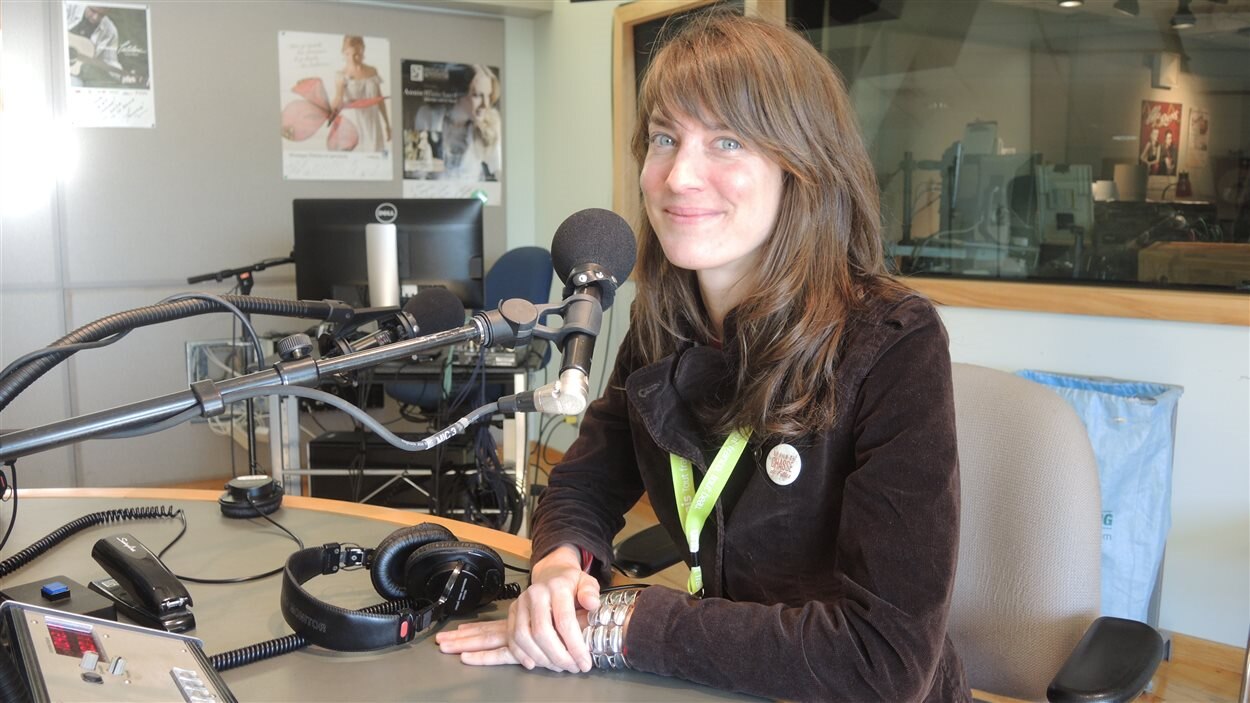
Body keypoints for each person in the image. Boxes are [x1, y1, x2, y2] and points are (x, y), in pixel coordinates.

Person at [436, 11, 969, 701]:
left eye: (726, 140)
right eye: (665, 136)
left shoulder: (895, 342)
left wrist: (618, 625)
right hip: (723, 680)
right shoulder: (665, 322)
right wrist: (559, 570)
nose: (679, 175)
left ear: (799, 165)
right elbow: (586, 481)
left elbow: (882, 661)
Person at [333, 35, 390, 152]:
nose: (353, 59)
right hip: (353, 125)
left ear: (362, 50)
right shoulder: (341, 75)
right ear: (343, 53)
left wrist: (387, 124)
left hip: (372, 124)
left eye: (357, 54)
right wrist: (337, 97)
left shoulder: (372, 71)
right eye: (348, 54)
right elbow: (336, 102)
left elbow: (380, 100)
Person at [445, 64, 502, 181]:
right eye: (477, 95)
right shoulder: (431, 117)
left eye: (488, 95)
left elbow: (500, 173)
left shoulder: (490, 124)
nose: (485, 105)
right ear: (459, 94)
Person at [65, 4, 123, 87]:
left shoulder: (110, 31)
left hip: (74, 74)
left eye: (101, 15)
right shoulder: (69, 6)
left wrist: (122, 75)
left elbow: (110, 61)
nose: (95, 17)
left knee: (76, 85)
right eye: (93, 11)